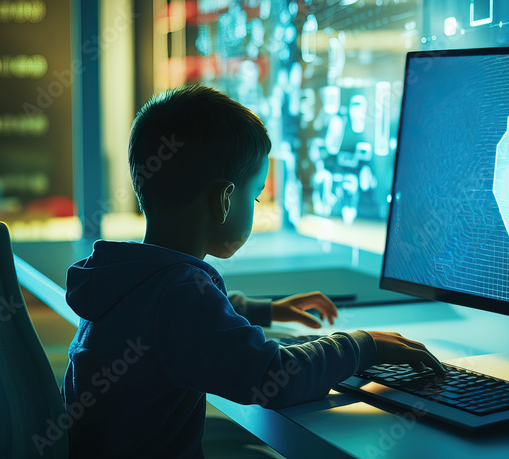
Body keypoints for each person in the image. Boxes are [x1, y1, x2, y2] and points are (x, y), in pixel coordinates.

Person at [62, 85, 443, 458]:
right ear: (224, 200)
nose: (258, 207)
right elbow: (273, 378)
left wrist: (266, 310)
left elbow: (187, 322)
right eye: (256, 195)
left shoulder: (127, 277)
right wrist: (362, 345)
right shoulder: (179, 291)